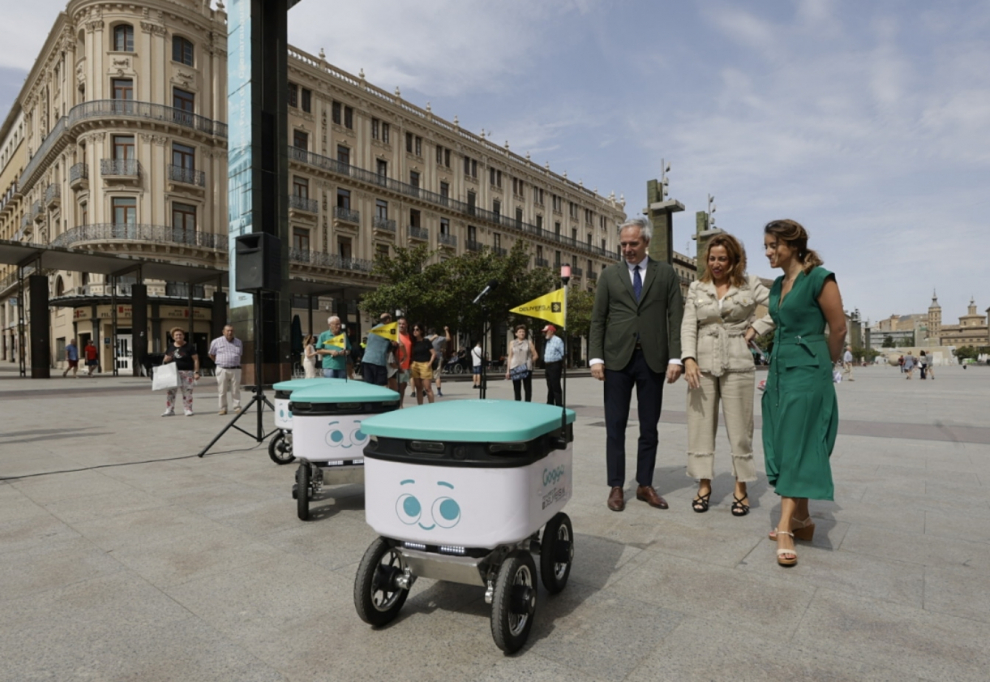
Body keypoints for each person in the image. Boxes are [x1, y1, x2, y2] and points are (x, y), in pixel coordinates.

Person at [762, 219, 846, 567]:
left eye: (773, 245)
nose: (767, 252)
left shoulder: (819, 278)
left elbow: (838, 328)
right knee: (785, 440)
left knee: (797, 441)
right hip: (780, 370)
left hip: (809, 371)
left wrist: (822, 367)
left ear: (793, 245)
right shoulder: (779, 283)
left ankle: (785, 527)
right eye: (765, 246)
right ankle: (802, 519)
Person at [589, 216, 684, 512]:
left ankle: (645, 484)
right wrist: (595, 357)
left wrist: (675, 357)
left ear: (646, 242)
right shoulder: (609, 275)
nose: (627, 249)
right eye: (624, 244)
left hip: (653, 360)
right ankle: (616, 486)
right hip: (617, 359)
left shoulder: (666, 274)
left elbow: (675, 317)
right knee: (615, 426)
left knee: (649, 427)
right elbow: (598, 318)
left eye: (633, 243)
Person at [680, 233, 774, 517]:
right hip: (702, 363)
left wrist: (757, 327)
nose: (717, 264)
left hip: (738, 360)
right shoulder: (697, 287)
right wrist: (688, 359)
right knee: (700, 426)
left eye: (723, 258)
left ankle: (741, 489)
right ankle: (704, 485)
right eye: (712, 258)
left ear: (734, 260)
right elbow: (688, 325)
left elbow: (782, 307)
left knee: (740, 429)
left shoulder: (750, 284)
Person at [162, 327, 200, 417]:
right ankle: (169, 410)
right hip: (173, 373)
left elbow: (196, 360)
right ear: (173, 337)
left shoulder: (189, 347)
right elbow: (165, 359)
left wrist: (196, 372)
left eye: (180, 335)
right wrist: (166, 359)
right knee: (170, 392)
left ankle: (188, 409)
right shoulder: (171, 346)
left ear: (183, 336)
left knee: (187, 392)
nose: (178, 336)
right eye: (176, 335)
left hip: (187, 372)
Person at [208, 325, 243, 415]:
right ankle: (223, 408)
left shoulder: (239, 342)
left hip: (235, 369)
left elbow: (240, 354)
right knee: (222, 390)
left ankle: (237, 407)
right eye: (227, 331)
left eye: (231, 331)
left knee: (236, 390)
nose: (230, 332)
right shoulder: (216, 341)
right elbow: (211, 354)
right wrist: (219, 362)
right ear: (223, 332)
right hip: (222, 368)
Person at [505, 325, 538, 402]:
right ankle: (518, 404)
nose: (522, 333)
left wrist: (529, 361)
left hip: (526, 368)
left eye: (523, 332)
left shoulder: (529, 343)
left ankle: (528, 404)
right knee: (517, 388)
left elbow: (536, 355)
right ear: (516, 334)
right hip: (515, 367)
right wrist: (508, 370)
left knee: (527, 388)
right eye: (520, 332)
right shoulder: (512, 343)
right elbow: (510, 357)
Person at [362, 313, 392, 386]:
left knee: (369, 385)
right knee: (380, 385)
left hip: (366, 360)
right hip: (378, 361)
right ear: (388, 320)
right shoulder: (386, 330)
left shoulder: (373, 329)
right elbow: (392, 345)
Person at [410, 323, 437, 405]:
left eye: (417, 329)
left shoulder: (426, 341)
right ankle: (420, 406)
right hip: (415, 365)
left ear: (421, 331)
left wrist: (429, 363)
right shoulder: (412, 342)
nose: (415, 331)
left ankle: (431, 406)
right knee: (418, 388)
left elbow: (433, 353)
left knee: (428, 388)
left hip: (424, 364)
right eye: (413, 330)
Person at [542, 324, 565, 406]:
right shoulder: (547, 341)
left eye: (546, 332)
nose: (544, 333)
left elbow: (563, 352)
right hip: (548, 365)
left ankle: (558, 403)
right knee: (549, 384)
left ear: (551, 331)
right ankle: (550, 402)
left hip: (555, 365)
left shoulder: (557, 340)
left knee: (555, 384)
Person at [395, 317, 413, 407]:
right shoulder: (395, 335)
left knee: (403, 387)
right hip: (398, 366)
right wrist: (397, 365)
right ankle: (396, 405)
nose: (401, 325)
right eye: (400, 324)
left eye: (403, 324)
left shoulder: (409, 336)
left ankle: (401, 404)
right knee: (396, 388)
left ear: (406, 325)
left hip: (407, 366)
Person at [430, 326, 451, 397]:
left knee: (427, 376)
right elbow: (448, 338)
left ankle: (427, 391)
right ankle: (438, 392)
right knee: (437, 376)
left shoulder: (426, 338)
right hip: (437, 358)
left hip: (428, 359)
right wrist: (446, 330)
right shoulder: (438, 338)